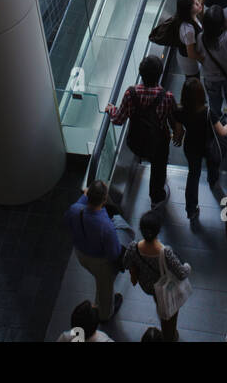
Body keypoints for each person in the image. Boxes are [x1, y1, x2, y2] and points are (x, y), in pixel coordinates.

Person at [106, 56, 176, 207]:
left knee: (149, 154)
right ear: (159, 74)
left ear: (141, 73)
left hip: (136, 143)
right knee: (159, 168)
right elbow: (173, 119)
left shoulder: (130, 94)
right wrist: (177, 132)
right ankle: (156, 197)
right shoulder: (167, 97)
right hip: (159, 144)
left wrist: (111, 110)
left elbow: (118, 120)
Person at [174, 77, 227, 221]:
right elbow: (223, 131)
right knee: (213, 173)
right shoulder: (208, 113)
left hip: (190, 146)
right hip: (209, 146)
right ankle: (215, 188)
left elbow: (178, 131)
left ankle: (191, 210)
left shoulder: (179, 110)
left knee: (193, 175)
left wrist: (178, 134)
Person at [124, 211, 191, 343]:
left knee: (158, 301)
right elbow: (182, 273)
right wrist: (188, 266)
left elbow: (125, 263)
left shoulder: (133, 247)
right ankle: (169, 335)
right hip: (165, 289)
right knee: (169, 311)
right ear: (158, 230)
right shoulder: (165, 252)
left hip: (147, 286)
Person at [64, 180, 124, 324]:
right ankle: (104, 314)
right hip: (100, 263)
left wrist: (85, 196)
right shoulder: (106, 226)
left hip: (81, 254)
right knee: (105, 288)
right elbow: (114, 253)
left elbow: (67, 222)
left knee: (101, 281)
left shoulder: (74, 210)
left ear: (88, 194)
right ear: (105, 199)